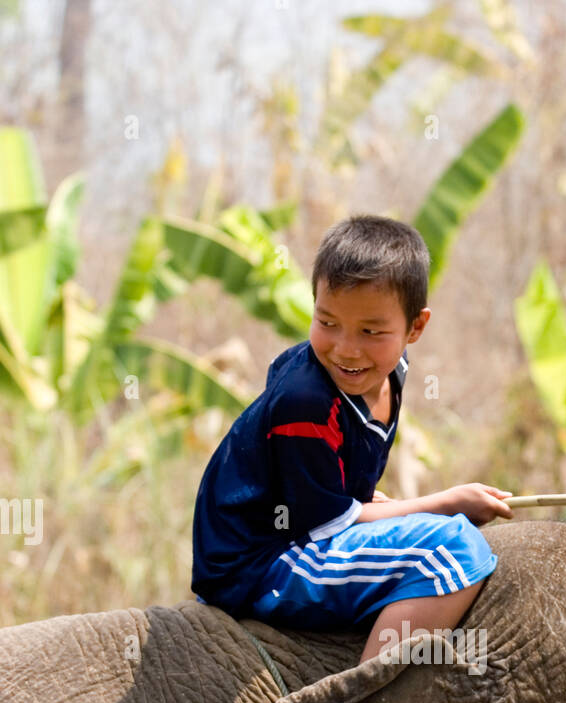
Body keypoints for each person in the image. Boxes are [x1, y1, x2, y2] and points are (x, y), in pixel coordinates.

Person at [191, 213, 512, 665]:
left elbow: (329, 477)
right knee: (451, 549)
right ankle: (367, 702)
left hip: (303, 532)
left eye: (371, 331)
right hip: (262, 563)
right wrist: (446, 502)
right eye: (327, 322)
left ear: (415, 328)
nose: (345, 348)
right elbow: (327, 523)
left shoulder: (389, 375)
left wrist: (367, 499)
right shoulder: (305, 402)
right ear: (313, 305)